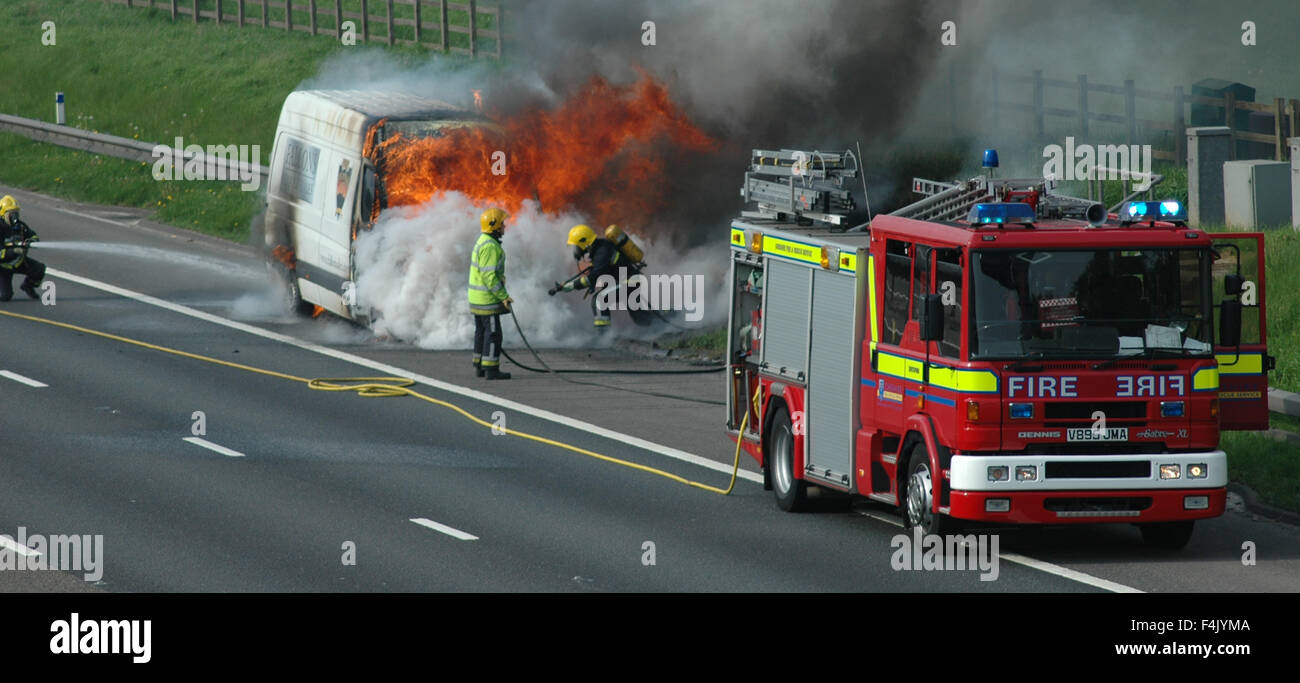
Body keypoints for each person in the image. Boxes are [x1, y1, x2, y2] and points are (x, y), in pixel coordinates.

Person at [554, 224, 641, 329]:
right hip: (629, 281)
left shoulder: (602, 252)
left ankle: (604, 336)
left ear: (584, 243)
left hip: (629, 282)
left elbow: (592, 277)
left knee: (599, 299)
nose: (576, 249)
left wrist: (571, 286)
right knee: (641, 319)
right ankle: (664, 322)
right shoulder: (600, 249)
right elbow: (597, 273)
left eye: (576, 246)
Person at [468, 207, 513, 380]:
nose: (504, 226)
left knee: (481, 332)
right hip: (487, 300)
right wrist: (503, 296)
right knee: (493, 334)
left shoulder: (482, 241)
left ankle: (479, 366)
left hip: (476, 298)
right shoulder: (490, 246)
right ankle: (491, 369)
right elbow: (489, 276)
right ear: (494, 226)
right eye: (502, 223)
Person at [0, 196, 45, 302]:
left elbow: (33, 235)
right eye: (11, 213)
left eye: (16, 213)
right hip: (2, 267)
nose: (14, 216)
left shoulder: (20, 226)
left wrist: (31, 241)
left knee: (39, 270)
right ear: (3, 214)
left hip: (18, 261)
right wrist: (13, 251)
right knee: (5, 296)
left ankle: (28, 286)